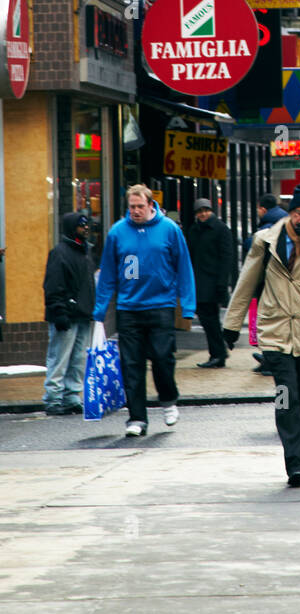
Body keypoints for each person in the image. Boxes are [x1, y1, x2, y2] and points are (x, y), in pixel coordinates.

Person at [222, 184, 300, 487]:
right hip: (277, 334)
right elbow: (246, 281)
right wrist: (231, 323)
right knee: (286, 397)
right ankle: (294, 462)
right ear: (291, 212)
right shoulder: (265, 242)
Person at [95, 184, 196, 437]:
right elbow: (107, 273)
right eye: (132, 207)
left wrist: (188, 305)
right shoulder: (118, 232)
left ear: (152, 205)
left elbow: (184, 267)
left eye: (140, 206)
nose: (136, 211)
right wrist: (100, 309)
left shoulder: (169, 230)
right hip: (129, 308)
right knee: (131, 365)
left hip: (160, 305)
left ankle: (168, 400)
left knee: (163, 359)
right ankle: (137, 418)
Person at [42, 212, 96, 416]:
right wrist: (59, 312)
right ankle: (53, 398)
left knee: (78, 358)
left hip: (82, 313)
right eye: (82, 226)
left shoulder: (85, 252)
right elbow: (53, 285)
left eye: (87, 225)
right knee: (59, 357)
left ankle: (72, 395)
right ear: (72, 228)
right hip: (66, 315)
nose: (86, 228)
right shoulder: (60, 253)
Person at [185, 198, 235, 369]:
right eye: (200, 211)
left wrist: (222, 284)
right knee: (209, 321)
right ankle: (219, 351)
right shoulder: (193, 230)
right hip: (199, 282)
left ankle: (218, 354)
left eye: (206, 210)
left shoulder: (220, 229)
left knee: (210, 320)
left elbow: (227, 257)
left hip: (212, 283)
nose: (203, 214)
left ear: (211, 211)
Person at [244, 194, 289, 376]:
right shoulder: (282, 219)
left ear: (262, 209)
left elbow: (253, 244)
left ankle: (271, 359)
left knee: (270, 321)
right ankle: (269, 357)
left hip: (269, 280)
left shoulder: (270, 225)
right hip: (279, 281)